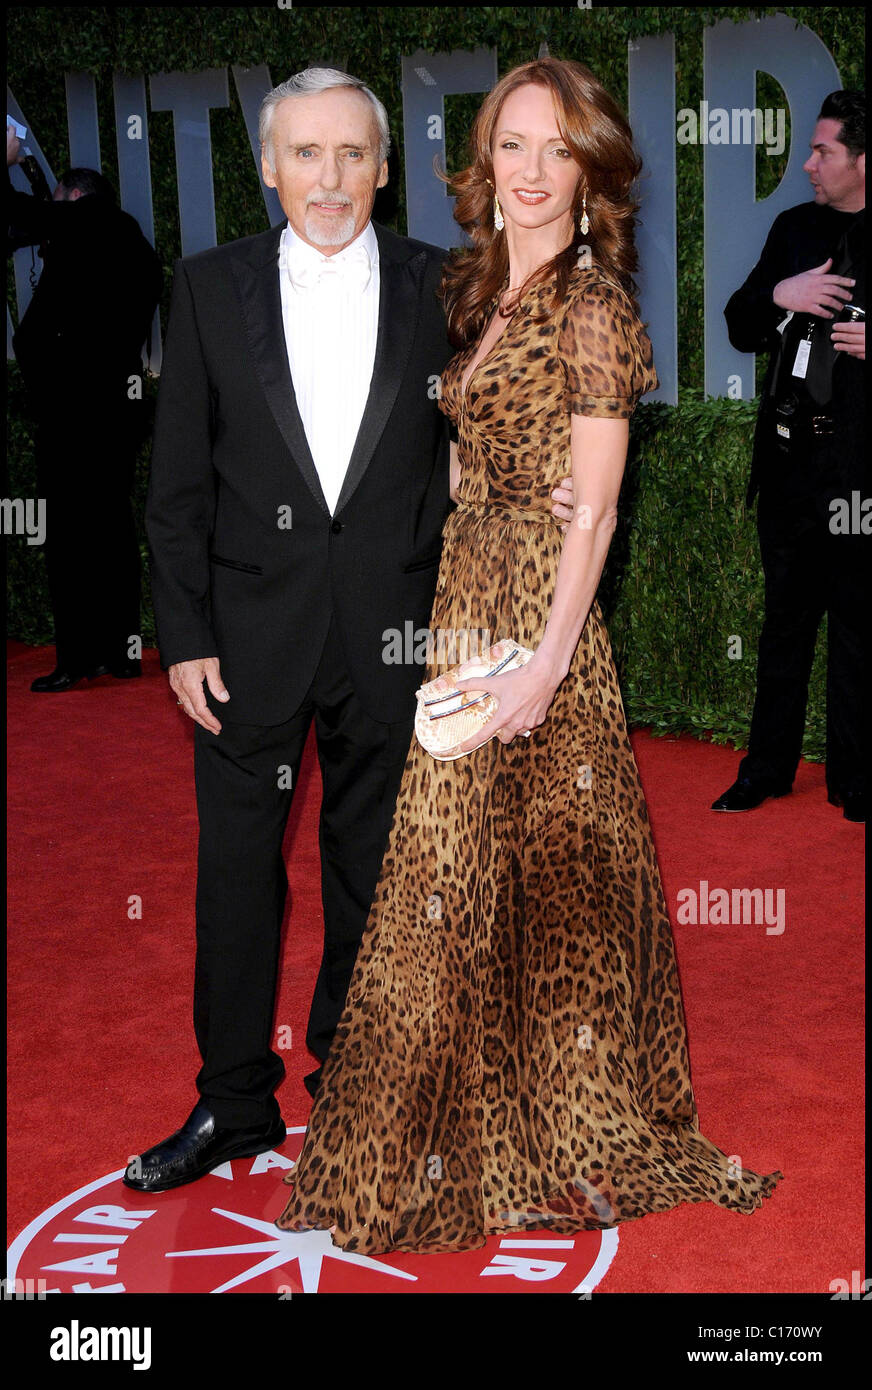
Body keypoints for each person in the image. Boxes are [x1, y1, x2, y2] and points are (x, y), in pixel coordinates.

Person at [277, 57, 782, 1254]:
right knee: (463, 883)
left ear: (590, 169)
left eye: (559, 150)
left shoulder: (593, 303)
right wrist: (496, 486)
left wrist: (546, 665)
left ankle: (566, 1128)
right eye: (513, 144)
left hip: (533, 625)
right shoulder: (482, 286)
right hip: (468, 596)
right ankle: (484, 1128)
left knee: (550, 889)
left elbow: (598, 512)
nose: (534, 172)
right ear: (481, 163)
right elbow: (473, 450)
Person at [125, 67, 577, 1194]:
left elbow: (481, 438)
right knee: (236, 876)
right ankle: (232, 1101)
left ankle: (356, 1091)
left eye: (351, 156)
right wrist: (182, 634)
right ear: (270, 168)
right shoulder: (205, 285)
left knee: (373, 874)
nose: (328, 180)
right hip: (244, 641)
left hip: (396, 637)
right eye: (305, 156)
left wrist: (553, 490)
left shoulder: (443, 284)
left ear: (384, 169)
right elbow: (174, 483)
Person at [712, 91, 866, 823]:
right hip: (790, 468)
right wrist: (784, 292)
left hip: (861, 472)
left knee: (860, 628)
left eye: (823, 152)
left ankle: (855, 781)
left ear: (863, 161)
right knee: (784, 624)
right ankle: (766, 769)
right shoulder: (793, 229)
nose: (807, 164)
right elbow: (741, 322)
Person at [7, 127, 162, 690]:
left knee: (71, 534)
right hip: (115, 412)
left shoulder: (89, 222)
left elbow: (24, 216)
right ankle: (119, 654)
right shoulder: (132, 243)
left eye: (57, 210)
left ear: (75, 198)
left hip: (74, 413)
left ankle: (76, 658)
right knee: (111, 527)